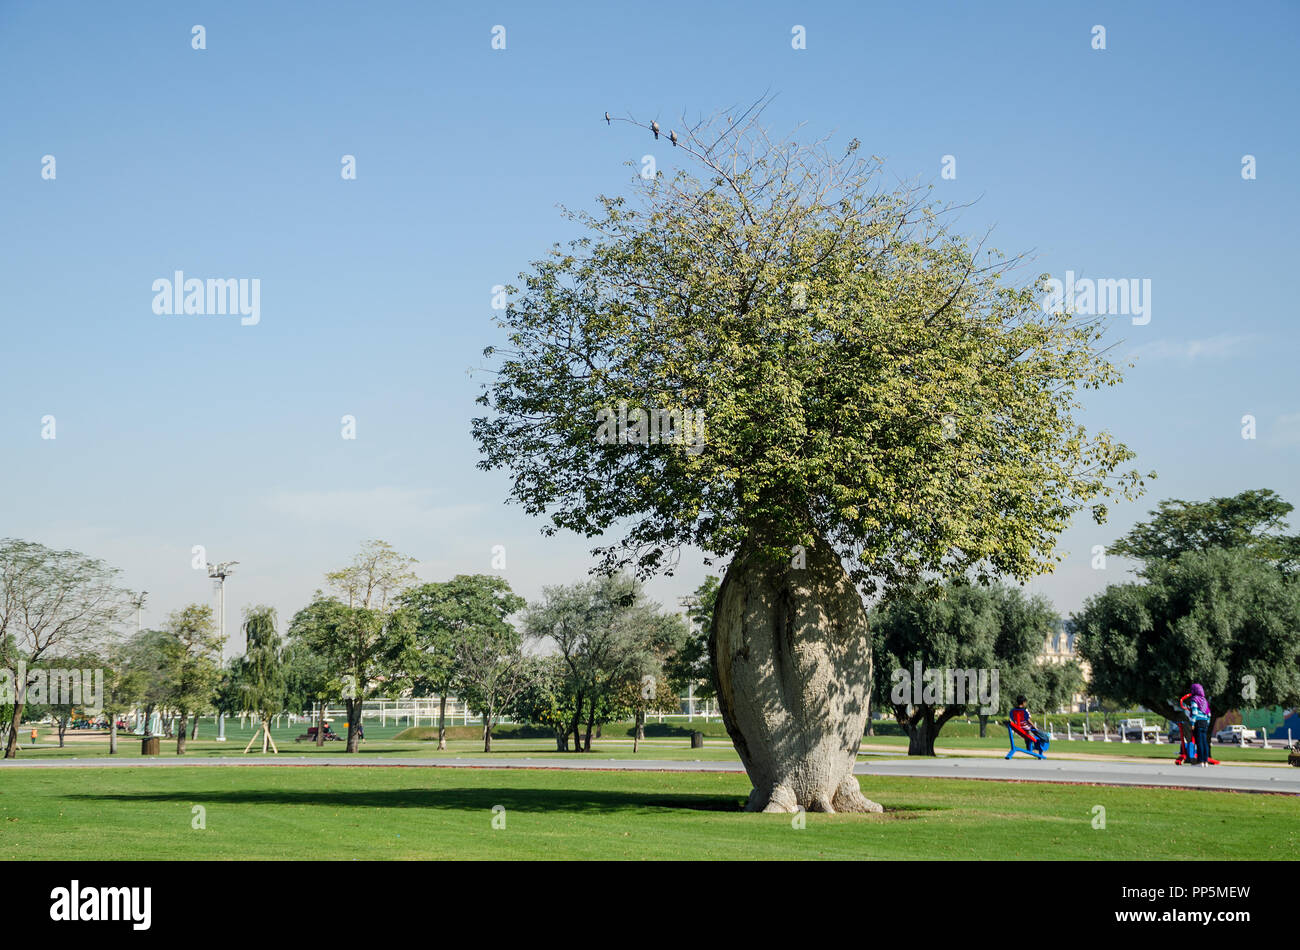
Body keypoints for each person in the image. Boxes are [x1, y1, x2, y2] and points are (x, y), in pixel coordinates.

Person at [1181, 683, 1212, 767]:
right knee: (1204, 742)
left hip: (1197, 722)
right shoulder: (1204, 700)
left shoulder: (1194, 699)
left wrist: (1192, 723)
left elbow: (1194, 712)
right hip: (1205, 722)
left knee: (1199, 742)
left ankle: (1200, 762)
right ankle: (1205, 761)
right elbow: (1209, 713)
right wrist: (1207, 722)